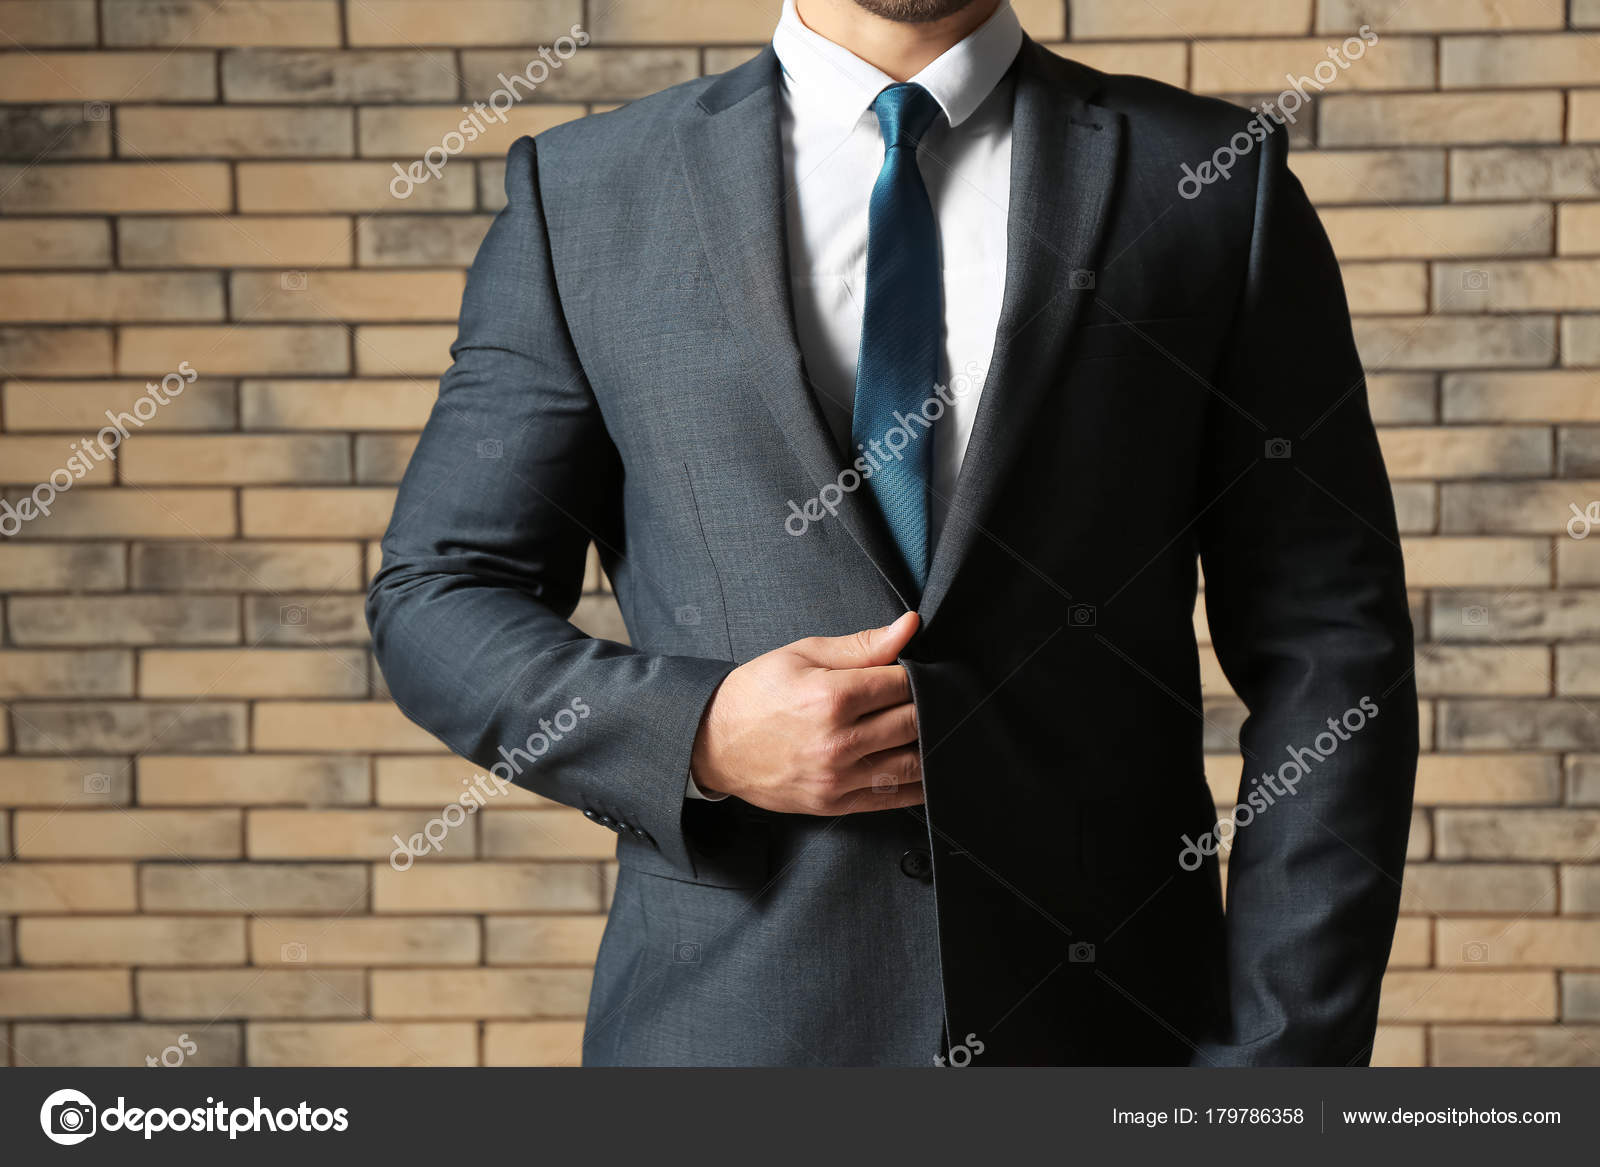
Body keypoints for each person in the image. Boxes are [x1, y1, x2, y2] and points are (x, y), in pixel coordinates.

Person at [367, 0, 1418, 1066]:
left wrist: (1281, 1070)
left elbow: (1333, 651)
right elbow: (439, 595)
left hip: (1114, 1032)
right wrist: (700, 734)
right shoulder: (587, 195)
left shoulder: (1209, 178)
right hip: (729, 1038)